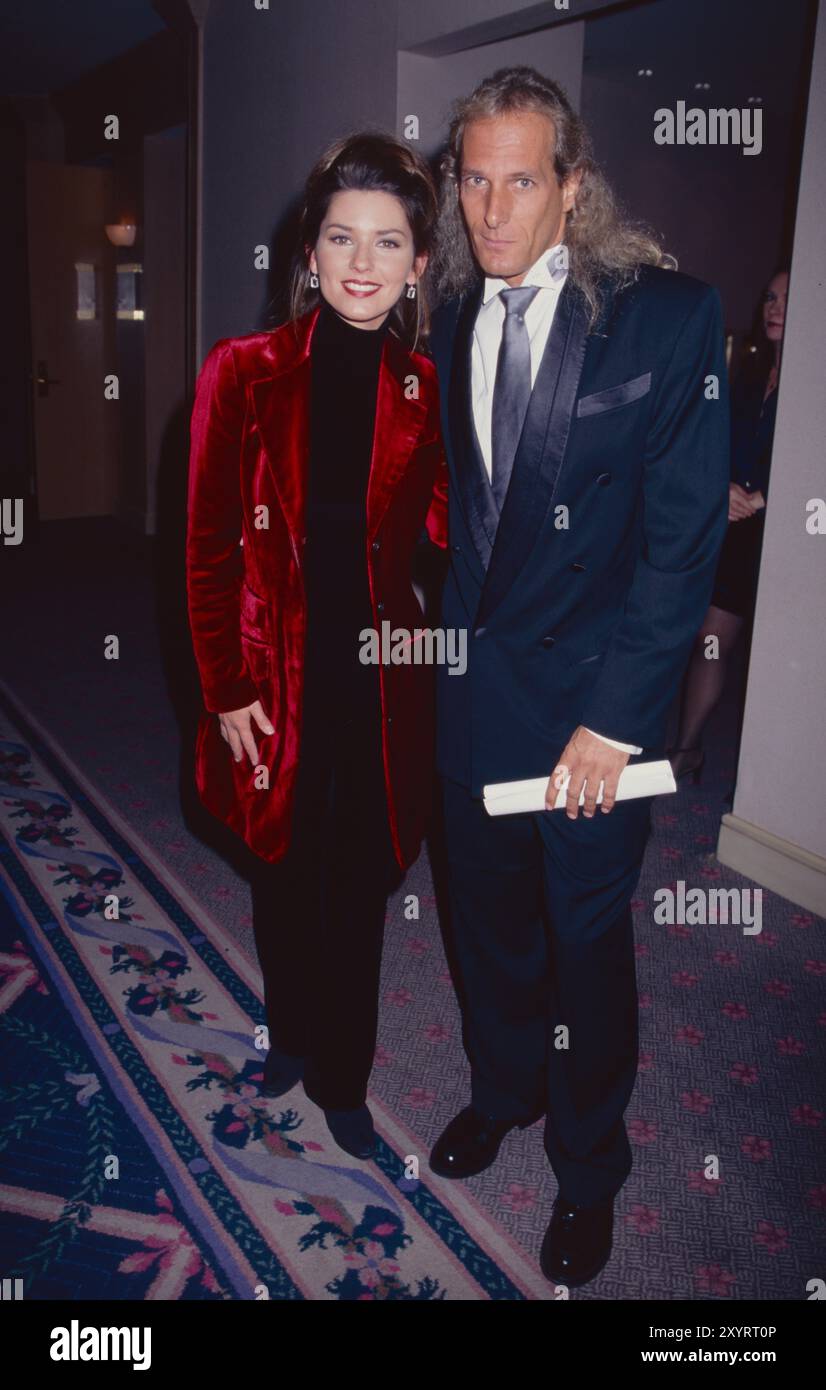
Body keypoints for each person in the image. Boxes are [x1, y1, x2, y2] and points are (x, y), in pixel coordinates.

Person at [425, 66, 730, 1287]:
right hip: (475, 695)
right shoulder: (449, 312)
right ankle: (504, 1089)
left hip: (593, 718)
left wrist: (617, 721)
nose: (491, 210)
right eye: (472, 180)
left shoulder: (667, 316)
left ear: (571, 188)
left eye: (519, 180)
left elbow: (681, 539)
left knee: (586, 944)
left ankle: (587, 1165)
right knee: (486, 926)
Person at [185, 133, 448, 1161]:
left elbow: (442, 529)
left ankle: (345, 1083)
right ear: (308, 248)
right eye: (342, 235)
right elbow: (207, 545)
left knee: (359, 886)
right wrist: (223, 684)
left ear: (420, 264)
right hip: (269, 676)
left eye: (388, 242)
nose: (362, 261)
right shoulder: (241, 374)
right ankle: (291, 1038)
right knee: (281, 873)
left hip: (381, 681)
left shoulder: (425, 389)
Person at [670, 267, 789, 783]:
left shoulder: (812, 385)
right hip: (724, 525)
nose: (773, 307)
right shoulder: (746, 369)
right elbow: (709, 442)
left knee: (736, 644)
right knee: (704, 637)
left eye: (787, 298)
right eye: (769, 296)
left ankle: (692, 750)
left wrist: (762, 497)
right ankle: (688, 746)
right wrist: (722, 491)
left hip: (781, 535)